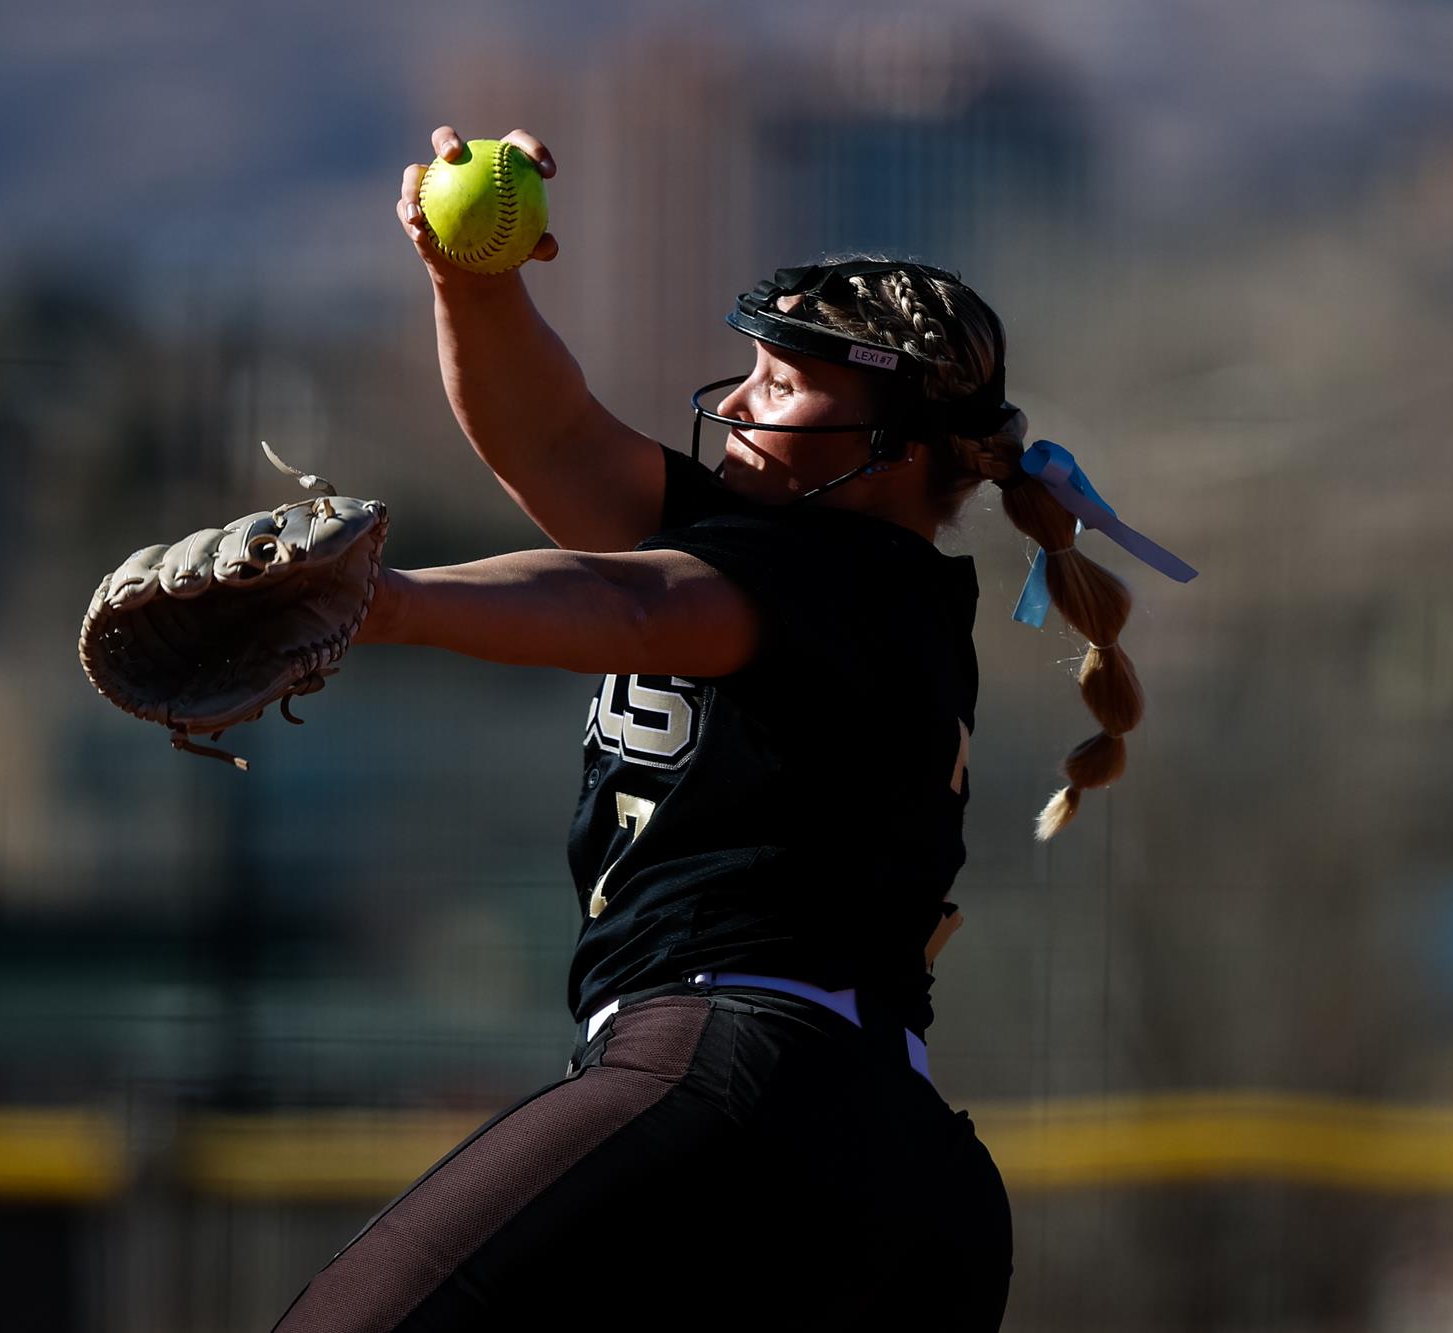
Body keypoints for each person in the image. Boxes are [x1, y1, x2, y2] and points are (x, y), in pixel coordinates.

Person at [272, 126, 1190, 1333]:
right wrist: (471, 283)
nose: (743, 398)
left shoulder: (847, 580)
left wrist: (386, 602)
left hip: (737, 1084)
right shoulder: (819, 557)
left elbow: (631, 604)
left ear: (897, 448)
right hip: (900, 1167)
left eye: (788, 382)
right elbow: (551, 439)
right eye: (751, 365)